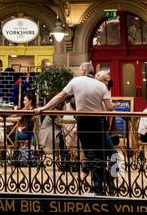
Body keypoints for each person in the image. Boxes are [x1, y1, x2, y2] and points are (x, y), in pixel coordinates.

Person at [39, 61, 114, 195]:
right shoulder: (101, 85)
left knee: (90, 154)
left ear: (84, 70)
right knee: (98, 154)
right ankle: (101, 185)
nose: (78, 71)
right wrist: (107, 123)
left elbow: (60, 97)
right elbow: (109, 107)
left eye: (79, 69)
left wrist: (44, 108)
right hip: (99, 123)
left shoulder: (76, 81)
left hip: (84, 122)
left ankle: (102, 184)